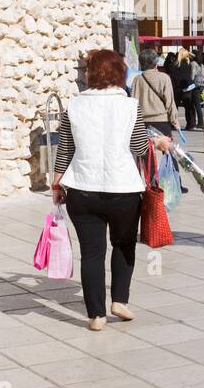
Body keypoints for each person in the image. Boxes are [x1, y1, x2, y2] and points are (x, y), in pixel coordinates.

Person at [52, 50, 173, 332]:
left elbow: (66, 149)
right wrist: (158, 143)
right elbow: (139, 148)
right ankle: (119, 300)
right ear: (120, 73)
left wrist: (57, 183)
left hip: (82, 189)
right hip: (124, 190)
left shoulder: (73, 105)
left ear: (90, 73)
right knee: (123, 244)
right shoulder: (131, 107)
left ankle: (96, 315)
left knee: (92, 253)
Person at [172, 49, 199, 130]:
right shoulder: (188, 65)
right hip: (187, 89)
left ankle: (173, 123)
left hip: (177, 89)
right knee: (189, 107)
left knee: (174, 107)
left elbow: (173, 78)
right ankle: (191, 124)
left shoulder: (175, 65)